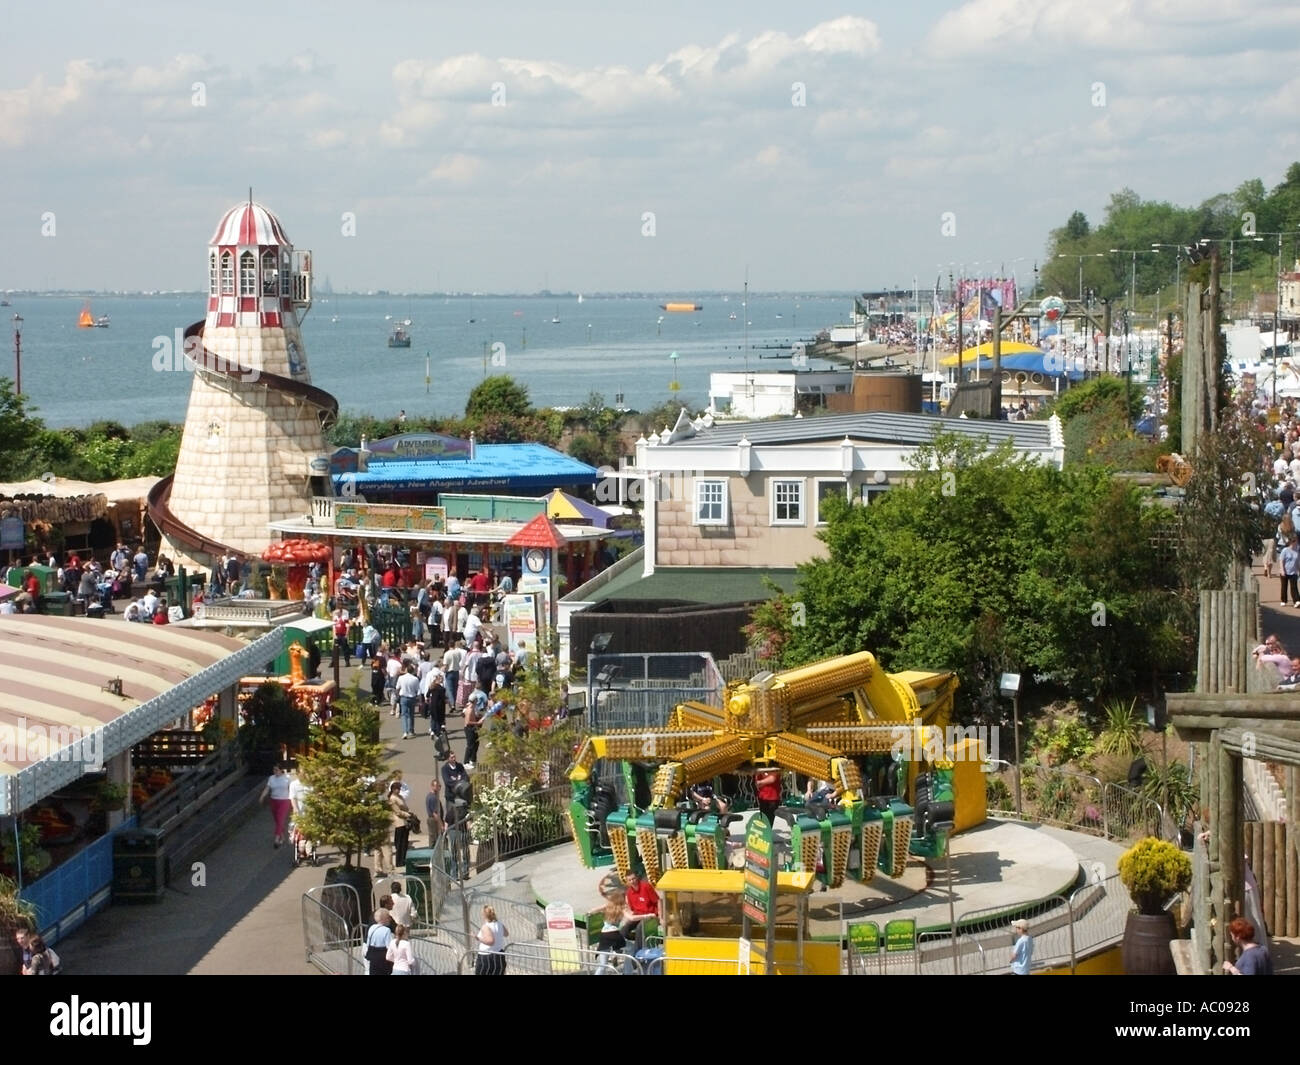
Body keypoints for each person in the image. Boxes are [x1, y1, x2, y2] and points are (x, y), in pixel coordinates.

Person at [621, 869, 660, 949]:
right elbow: (632, 909)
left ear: (637, 878)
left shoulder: (646, 887)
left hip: (650, 915)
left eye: (633, 879)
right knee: (624, 929)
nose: (632, 881)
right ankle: (621, 949)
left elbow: (658, 901)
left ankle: (637, 952)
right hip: (639, 915)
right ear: (627, 881)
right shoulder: (629, 893)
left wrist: (660, 916)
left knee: (640, 928)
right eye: (630, 880)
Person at [594, 893, 629, 975]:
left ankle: (614, 954)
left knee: (602, 965)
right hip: (615, 934)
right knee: (631, 949)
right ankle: (627, 971)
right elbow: (630, 918)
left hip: (604, 935)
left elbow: (594, 910)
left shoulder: (607, 907)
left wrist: (590, 914)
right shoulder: (622, 908)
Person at [260, 764, 293, 847]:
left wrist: (292, 799)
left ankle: (277, 839)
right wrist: (262, 796)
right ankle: (282, 836)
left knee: (281, 819)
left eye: (277, 770)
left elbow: (291, 789)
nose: (275, 772)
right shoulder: (271, 778)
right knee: (277, 820)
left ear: (281, 770)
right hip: (274, 801)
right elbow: (267, 788)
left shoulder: (287, 778)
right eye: (274, 770)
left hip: (284, 800)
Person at [388, 781, 414, 871]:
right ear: (393, 789)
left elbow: (405, 806)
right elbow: (397, 812)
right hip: (399, 822)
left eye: (399, 789)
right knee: (399, 843)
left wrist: (410, 813)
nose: (398, 790)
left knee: (405, 842)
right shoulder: (392, 798)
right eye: (396, 789)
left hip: (405, 821)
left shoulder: (400, 797)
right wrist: (407, 815)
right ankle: (399, 861)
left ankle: (404, 859)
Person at [475, 905, 508, 975]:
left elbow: (491, 941)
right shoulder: (500, 924)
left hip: (486, 956)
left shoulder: (486, 927)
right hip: (499, 954)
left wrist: (478, 938)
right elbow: (506, 934)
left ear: (484, 915)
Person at [365, 909, 394, 976]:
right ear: (384, 918)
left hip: (373, 956)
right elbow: (389, 946)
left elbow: (368, 942)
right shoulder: (387, 930)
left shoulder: (372, 928)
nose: (390, 919)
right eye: (389, 917)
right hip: (383, 957)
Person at [396, 663, 420, 739]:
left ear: (406, 670)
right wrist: (419, 699)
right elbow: (418, 690)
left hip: (403, 697)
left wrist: (397, 695)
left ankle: (405, 731)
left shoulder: (401, 678)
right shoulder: (415, 679)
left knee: (404, 715)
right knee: (411, 715)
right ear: (413, 671)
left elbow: (397, 687)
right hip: (412, 698)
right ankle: (411, 731)